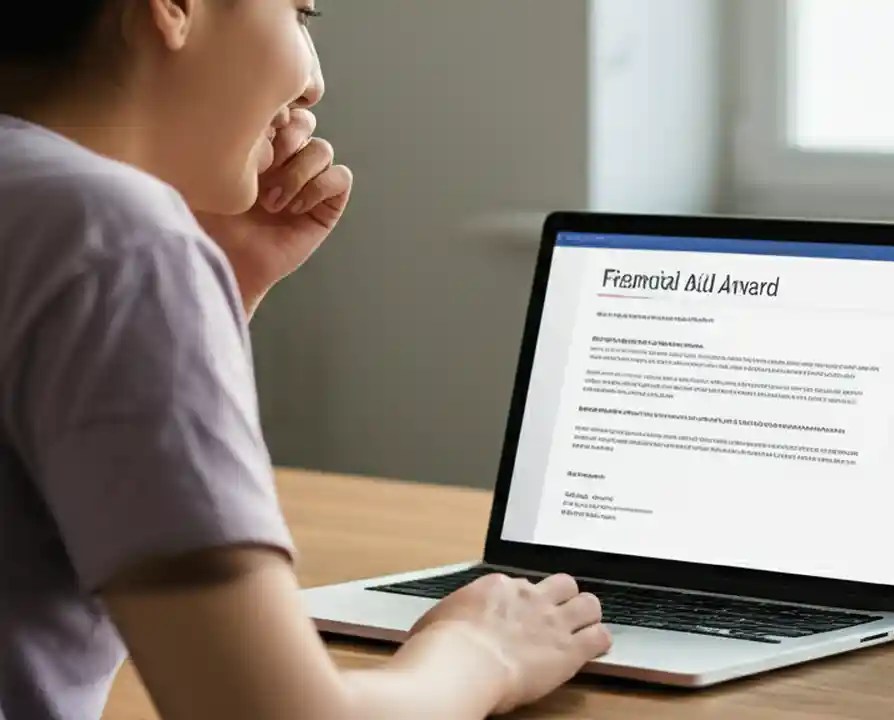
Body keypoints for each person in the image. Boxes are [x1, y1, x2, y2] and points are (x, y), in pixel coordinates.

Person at [0, 1, 611, 718]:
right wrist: (484, 654)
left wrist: (218, 291)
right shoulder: (114, 243)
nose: (313, 81)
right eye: (299, 11)